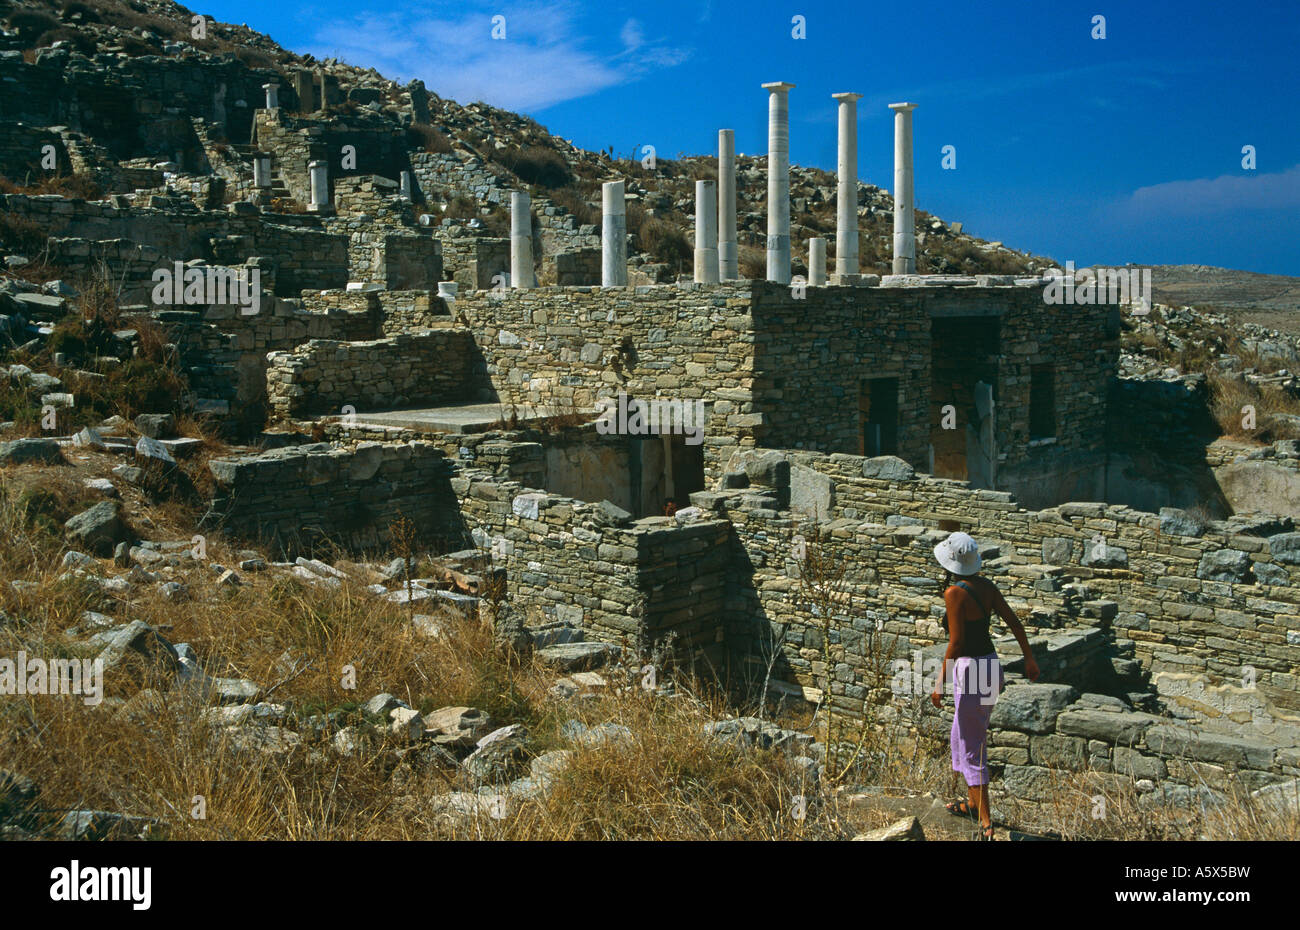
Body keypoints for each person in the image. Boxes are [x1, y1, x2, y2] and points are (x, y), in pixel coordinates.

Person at [929, 531, 1040, 839]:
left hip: (971, 669)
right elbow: (1014, 623)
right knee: (960, 735)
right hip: (991, 665)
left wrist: (940, 682)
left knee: (972, 743)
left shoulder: (954, 593)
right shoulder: (987, 587)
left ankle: (986, 820)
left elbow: (956, 643)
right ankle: (974, 803)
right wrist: (1029, 659)